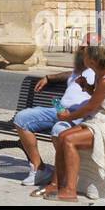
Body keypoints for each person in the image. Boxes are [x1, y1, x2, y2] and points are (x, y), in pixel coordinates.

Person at [37, 44, 105, 203]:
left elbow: (90, 107)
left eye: (86, 55)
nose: (82, 57)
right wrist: (87, 87)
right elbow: (100, 98)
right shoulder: (99, 74)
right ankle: (57, 183)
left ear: (93, 61)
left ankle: (70, 191)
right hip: (102, 118)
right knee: (62, 136)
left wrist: (66, 118)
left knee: (69, 140)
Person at [12, 47, 94, 186]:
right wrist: (49, 77)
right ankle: (40, 169)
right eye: (82, 47)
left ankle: (66, 174)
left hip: (80, 115)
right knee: (21, 118)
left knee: (59, 130)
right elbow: (69, 74)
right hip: (60, 110)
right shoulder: (79, 71)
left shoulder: (102, 72)